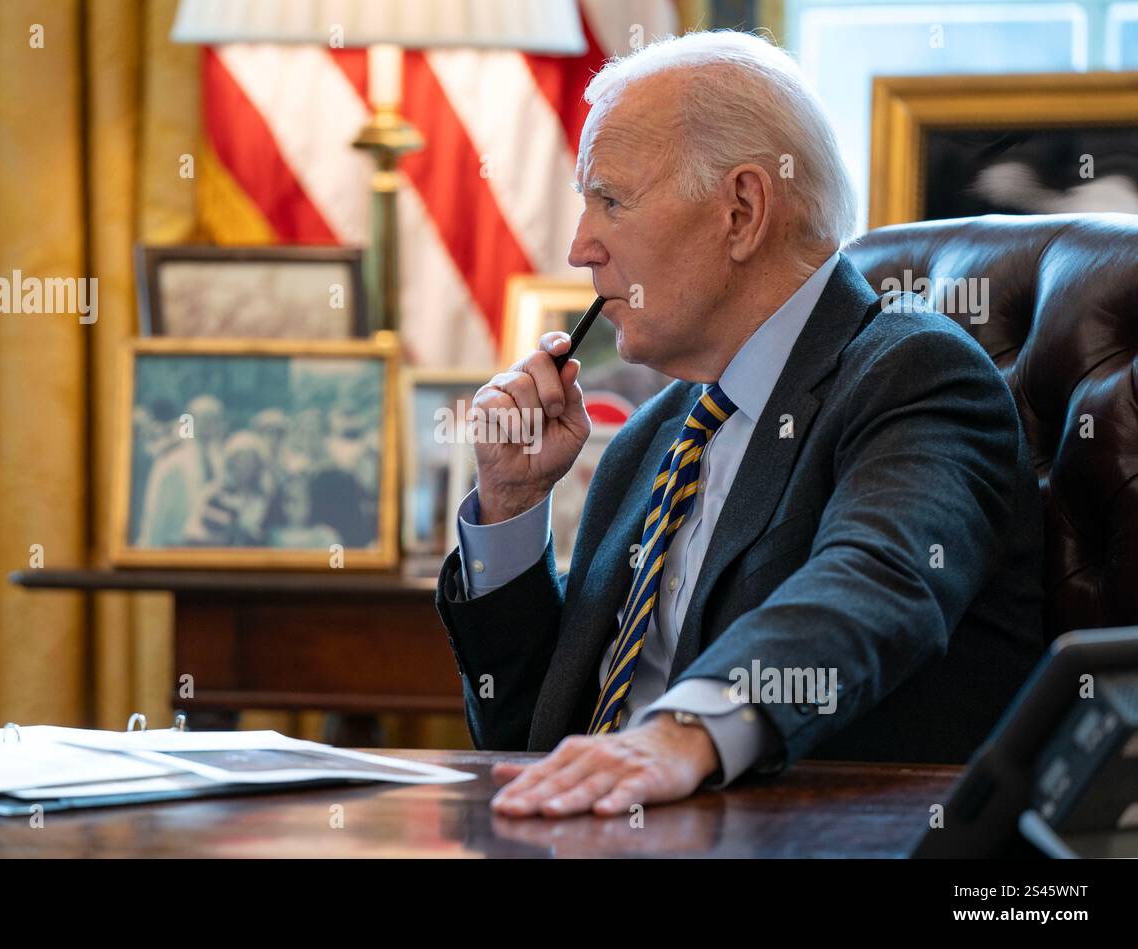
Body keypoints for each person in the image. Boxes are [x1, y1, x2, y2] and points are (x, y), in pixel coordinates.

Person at [434, 30, 1043, 819]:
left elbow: (878, 579)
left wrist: (684, 727)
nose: (581, 246)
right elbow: (530, 745)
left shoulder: (915, 375)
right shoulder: (654, 440)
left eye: (610, 200)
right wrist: (511, 509)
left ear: (742, 210)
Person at [137, 394, 227, 547]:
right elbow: (156, 512)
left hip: (208, 545)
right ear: (189, 422)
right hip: (174, 544)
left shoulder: (220, 459)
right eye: (203, 419)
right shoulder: (173, 459)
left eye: (214, 419)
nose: (209, 425)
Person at [184, 431, 272, 547]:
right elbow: (191, 531)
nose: (245, 464)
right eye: (240, 458)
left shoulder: (264, 497)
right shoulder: (213, 493)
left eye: (250, 459)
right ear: (230, 461)